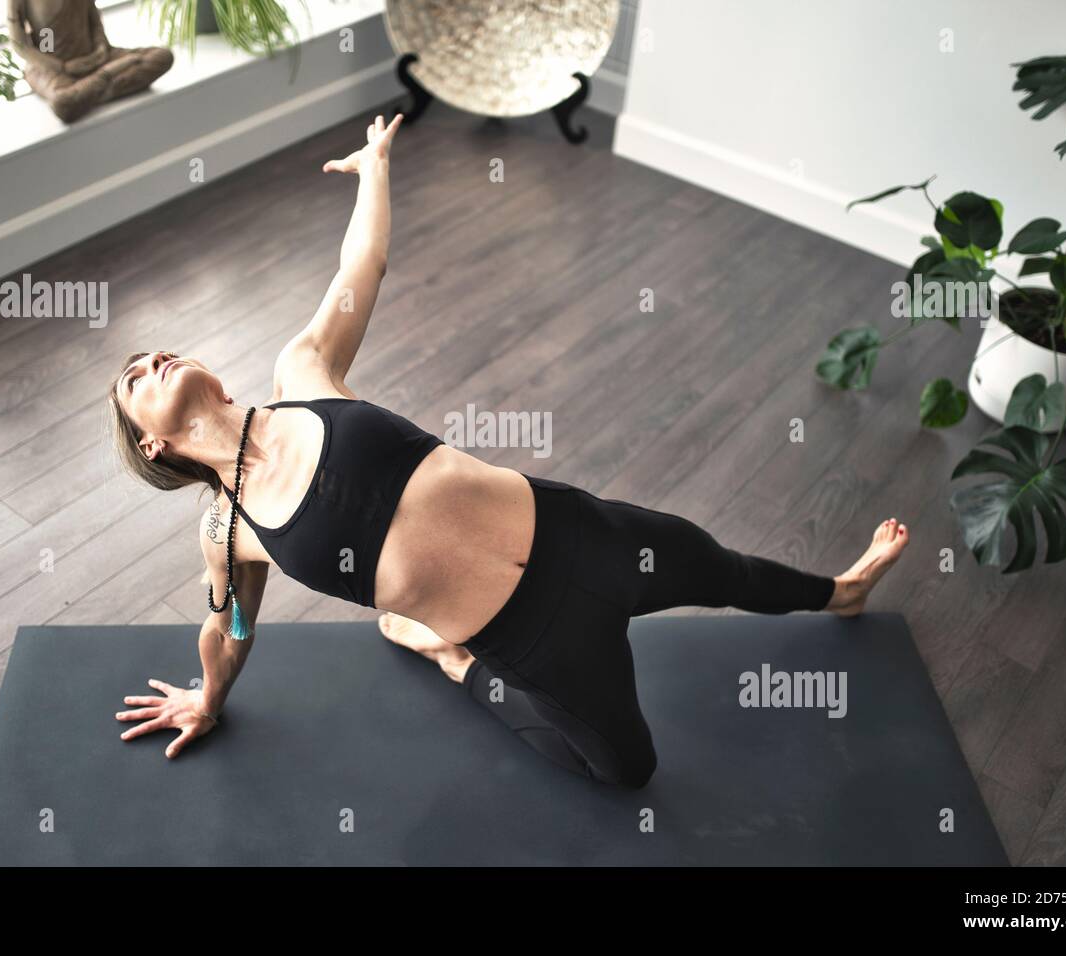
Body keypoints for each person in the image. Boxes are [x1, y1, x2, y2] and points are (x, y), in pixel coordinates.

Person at [107, 113, 909, 788]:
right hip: (523, 641)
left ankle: (841, 592)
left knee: (722, 568)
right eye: (137, 377)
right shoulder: (228, 534)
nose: (155, 361)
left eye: (157, 351)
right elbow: (231, 626)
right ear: (153, 440)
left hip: (586, 536)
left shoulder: (304, 373)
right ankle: (457, 665)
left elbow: (363, 266)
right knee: (627, 770)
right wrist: (208, 700)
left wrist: (374, 171)